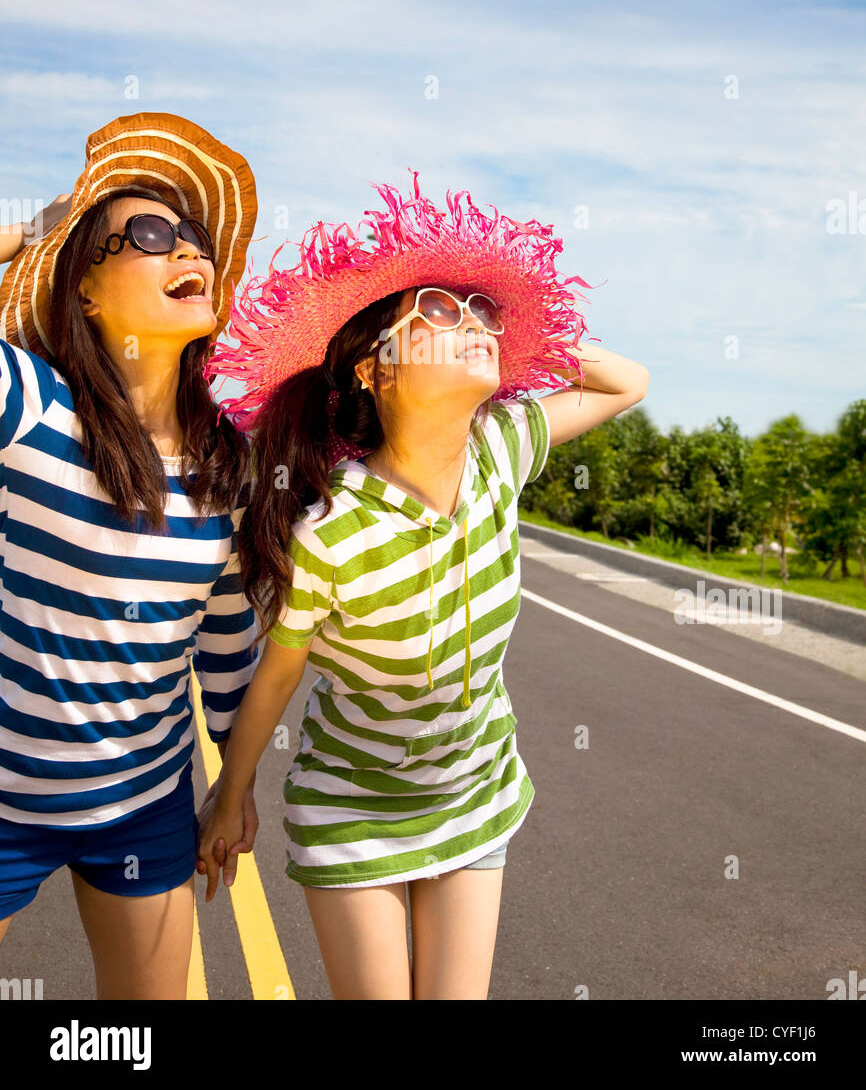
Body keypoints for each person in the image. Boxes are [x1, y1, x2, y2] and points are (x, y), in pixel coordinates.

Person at [197, 169, 649, 999]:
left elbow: (628, 382)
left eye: (480, 310)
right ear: (375, 369)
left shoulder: (502, 446)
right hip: (356, 811)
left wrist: (529, 329)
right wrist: (234, 792)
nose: (474, 320)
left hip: (475, 792)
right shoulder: (331, 533)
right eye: (436, 311)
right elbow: (280, 676)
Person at [0, 112, 260, 999]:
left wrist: (234, 788)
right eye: (149, 234)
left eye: (193, 237)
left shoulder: (229, 463)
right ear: (86, 289)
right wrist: (34, 230)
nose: (188, 248)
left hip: (141, 804)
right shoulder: (27, 404)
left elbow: (225, 649)